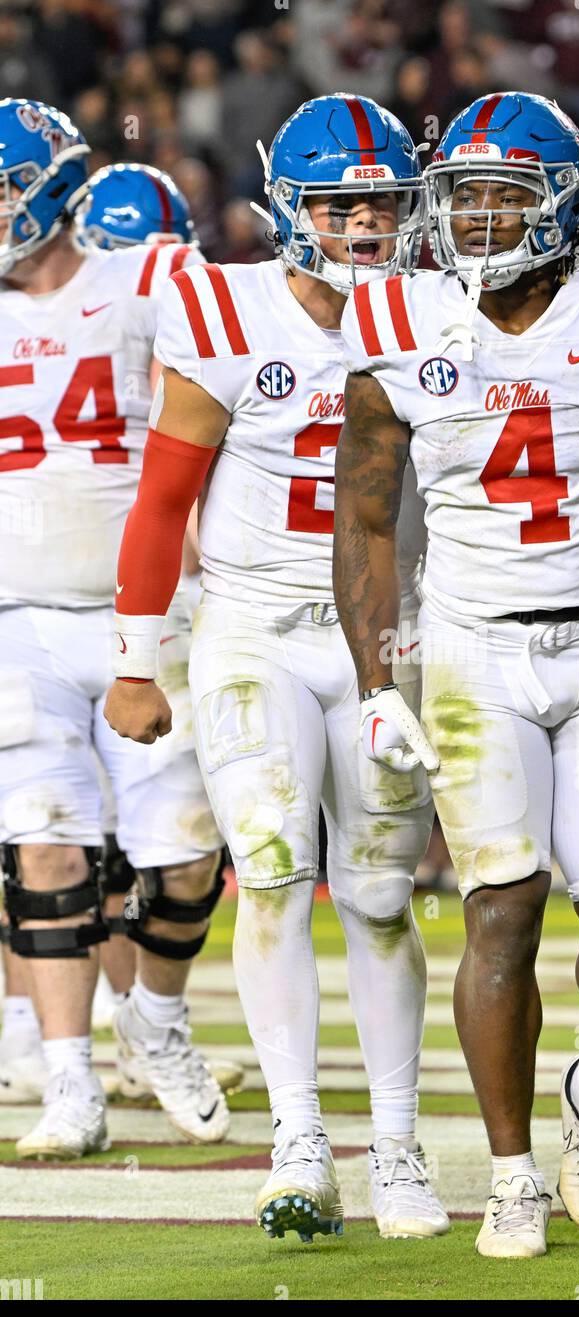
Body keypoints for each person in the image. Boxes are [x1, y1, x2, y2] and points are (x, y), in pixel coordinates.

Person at [334, 91, 579, 1259]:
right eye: (461, 195)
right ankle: (510, 1173)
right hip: (469, 648)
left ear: (563, 203)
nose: (479, 216)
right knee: (497, 909)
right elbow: (363, 520)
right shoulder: (399, 318)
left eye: (505, 193)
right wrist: (374, 679)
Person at [103, 95, 449, 1245]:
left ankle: (396, 1139)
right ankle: (299, 1133)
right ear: (290, 208)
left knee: (380, 896)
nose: (363, 224)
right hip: (254, 622)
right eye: (340, 203)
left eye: (383, 202)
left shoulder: (443, 311)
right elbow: (161, 501)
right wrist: (136, 657)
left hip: (385, 640)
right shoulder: (221, 308)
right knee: (265, 865)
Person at [0, 99, 227, 1156]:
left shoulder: (147, 282)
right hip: (17, 619)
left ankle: (157, 1021)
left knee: (183, 853)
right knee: (44, 845)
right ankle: (65, 1080)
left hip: (144, 612)